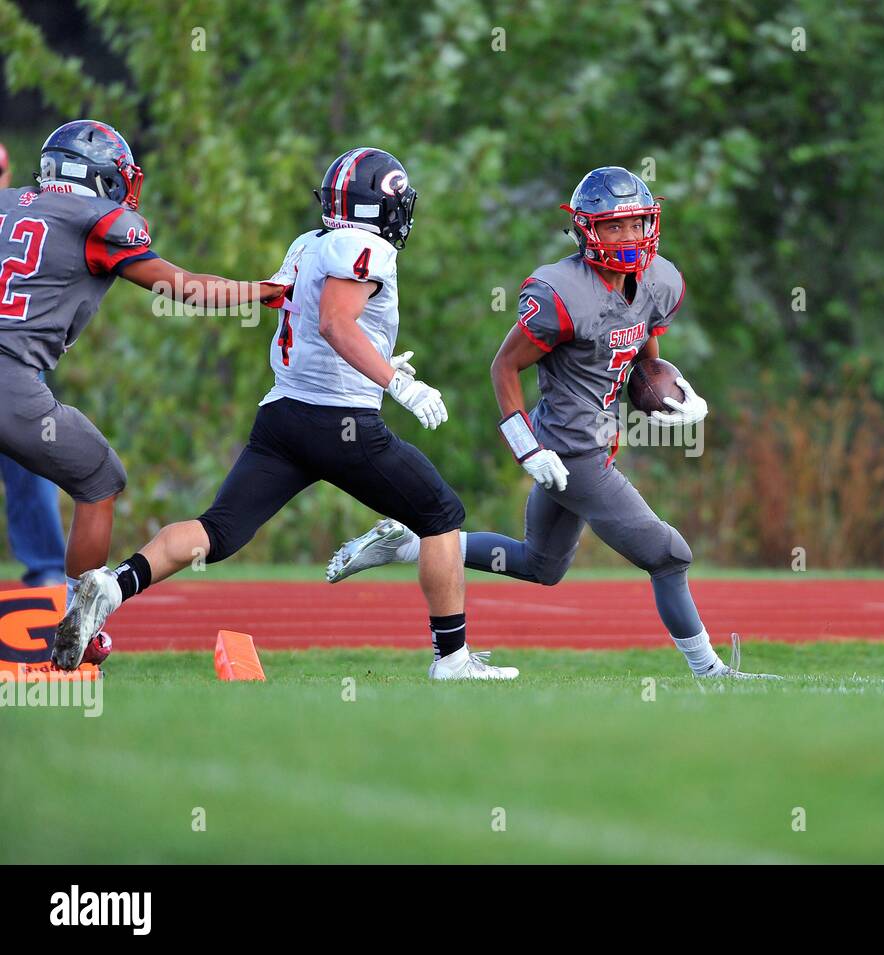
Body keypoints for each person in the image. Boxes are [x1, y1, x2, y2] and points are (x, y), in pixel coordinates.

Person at [55, 147, 514, 680]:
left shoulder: (309, 243)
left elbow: (315, 316)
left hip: (283, 417)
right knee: (440, 516)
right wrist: (395, 386)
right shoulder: (366, 247)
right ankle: (451, 659)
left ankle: (109, 587)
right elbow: (335, 324)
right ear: (380, 207)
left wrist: (384, 362)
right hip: (341, 423)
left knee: (216, 531)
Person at [327, 166, 775, 679]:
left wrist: (675, 392)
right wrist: (527, 449)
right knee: (670, 554)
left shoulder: (660, 281)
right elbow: (504, 367)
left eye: (636, 224)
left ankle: (409, 543)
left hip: (593, 442)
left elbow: (642, 358)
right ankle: (711, 673)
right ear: (587, 230)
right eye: (614, 226)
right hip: (569, 452)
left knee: (541, 566)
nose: (628, 237)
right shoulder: (562, 292)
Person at [0, 119, 283, 639]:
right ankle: (77, 621)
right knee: (99, 478)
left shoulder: (9, 202)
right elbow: (184, 288)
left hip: (15, 377)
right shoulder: (98, 219)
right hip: (10, 381)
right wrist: (258, 290)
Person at [0, 138, 66, 588]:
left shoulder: (26, 213)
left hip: (16, 358)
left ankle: (46, 573)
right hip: (19, 359)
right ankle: (45, 573)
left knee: (32, 464)